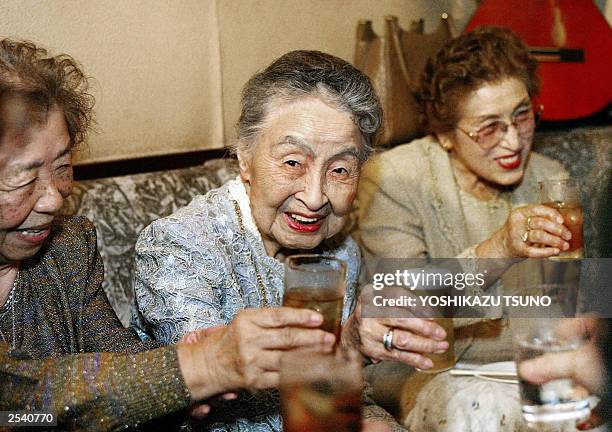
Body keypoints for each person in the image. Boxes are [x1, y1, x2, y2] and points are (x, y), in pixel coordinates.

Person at [0, 38, 336, 431]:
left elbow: (119, 358)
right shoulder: (181, 241)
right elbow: (18, 399)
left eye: (62, 166)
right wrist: (198, 367)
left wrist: (184, 388)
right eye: (23, 177)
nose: (54, 199)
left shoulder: (67, 249)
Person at [132, 50, 401, 431]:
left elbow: (324, 391)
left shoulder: (341, 251)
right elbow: (214, 397)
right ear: (245, 159)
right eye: (293, 162)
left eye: (340, 169)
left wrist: (354, 343)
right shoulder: (176, 245)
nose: (315, 197)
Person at [354, 27, 572, 431]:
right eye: (489, 127)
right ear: (445, 135)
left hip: (533, 370)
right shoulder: (395, 177)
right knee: (490, 405)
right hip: (426, 376)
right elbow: (407, 304)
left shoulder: (548, 177)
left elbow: (568, 310)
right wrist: (500, 248)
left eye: (522, 115)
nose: (514, 141)